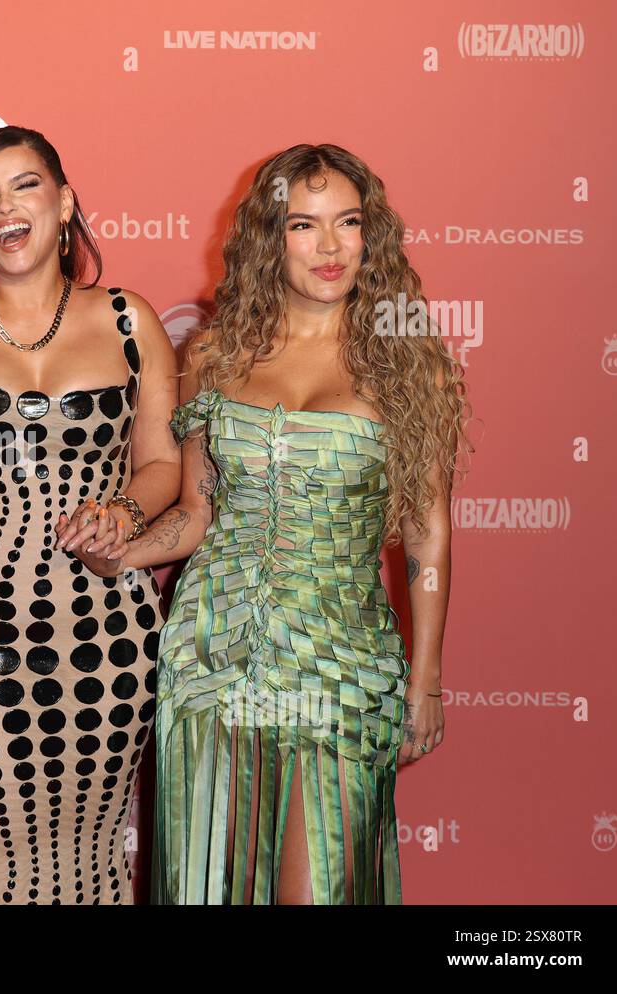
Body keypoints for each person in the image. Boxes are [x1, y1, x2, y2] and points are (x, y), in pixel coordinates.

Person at [96, 144, 470, 904]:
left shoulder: (410, 362)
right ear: (273, 235)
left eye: (349, 223)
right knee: (214, 885)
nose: (330, 248)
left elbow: (429, 532)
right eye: (305, 224)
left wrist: (426, 678)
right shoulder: (216, 355)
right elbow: (198, 511)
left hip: (342, 661)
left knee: (319, 889)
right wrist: (127, 555)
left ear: (374, 234)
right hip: (214, 652)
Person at [0, 125, 181, 904]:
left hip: (109, 625)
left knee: (96, 858)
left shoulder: (130, 320)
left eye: (24, 185)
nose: (5, 206)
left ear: (65, 201)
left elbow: (162, 465)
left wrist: (122, 510)